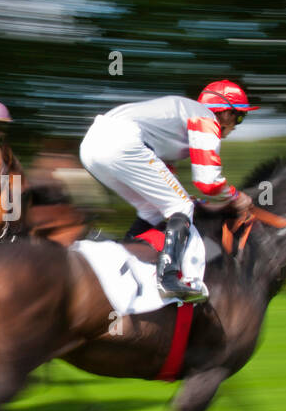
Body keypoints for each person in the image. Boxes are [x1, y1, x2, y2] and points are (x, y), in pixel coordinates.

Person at [78, 79, 258, 303]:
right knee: (180, 206)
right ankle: (168, 279)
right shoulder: (206, 118)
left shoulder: (181, 119)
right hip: (122, 143)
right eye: (239, 117)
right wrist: (237, 197)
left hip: (92, 147)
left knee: (152, 209)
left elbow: (166, 179)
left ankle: (122, 256)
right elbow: (208, 181)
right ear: (224, 113)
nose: (236, 126)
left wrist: (198, 201)